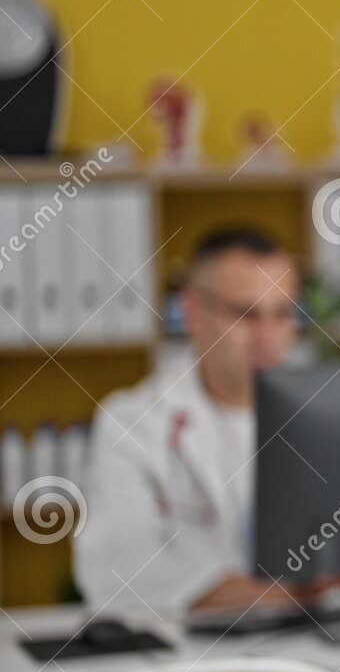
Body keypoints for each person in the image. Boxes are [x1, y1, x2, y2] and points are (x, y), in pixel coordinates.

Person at [75, 227, 302, 621]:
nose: (268, 339)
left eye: (281, 314)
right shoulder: (133, 421)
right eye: (245, 315)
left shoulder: (321, 413)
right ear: (192, 311)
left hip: (314, 649)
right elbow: (117, 570)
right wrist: (290, 595)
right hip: (186, 662)